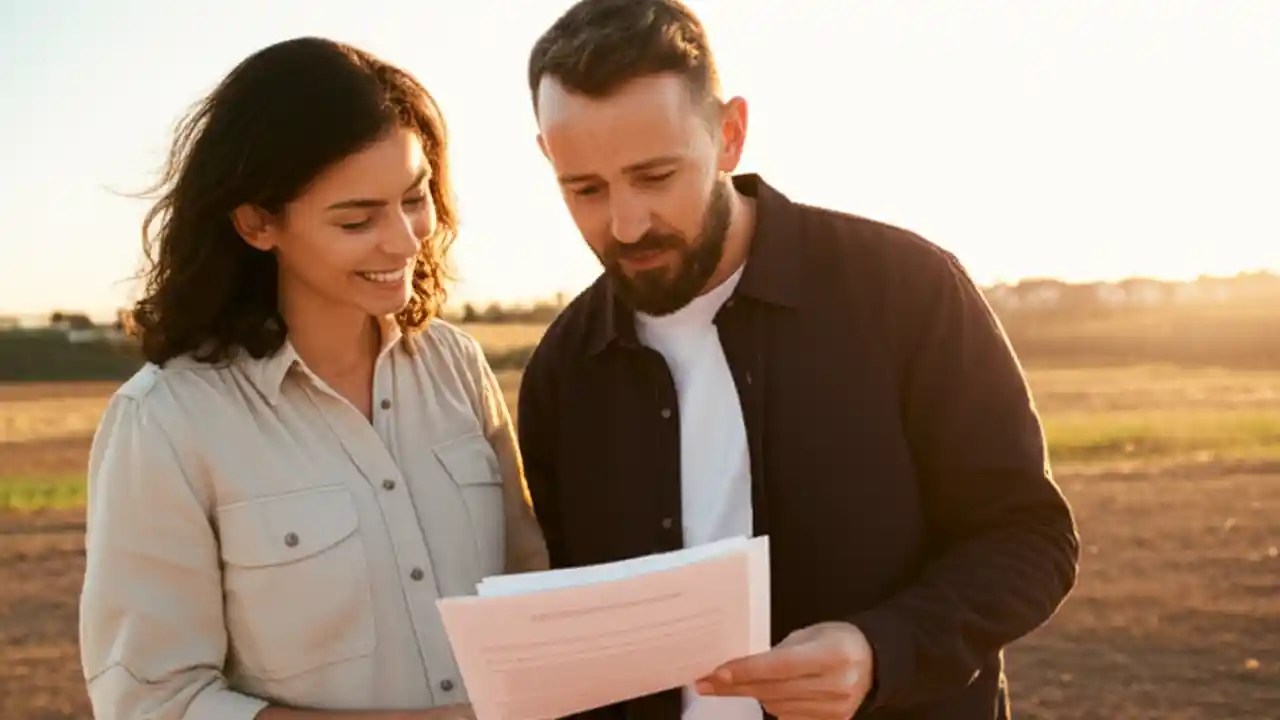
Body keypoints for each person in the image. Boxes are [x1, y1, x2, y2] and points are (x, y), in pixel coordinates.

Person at [516, 2, 1080, 718]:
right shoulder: (563, 372)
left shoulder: (905, 289)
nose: (625, 223)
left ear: (730, 134)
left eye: (655, 176)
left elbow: (1031, 538)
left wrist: (881, 650)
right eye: (585, 190)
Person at [78, 37, 548, 720]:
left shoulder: (457, 366)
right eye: (357, 219)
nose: (405, 240)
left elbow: (527, 583)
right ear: (257, 222)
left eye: (414, 198)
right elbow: (154, 701)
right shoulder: (166, 422)